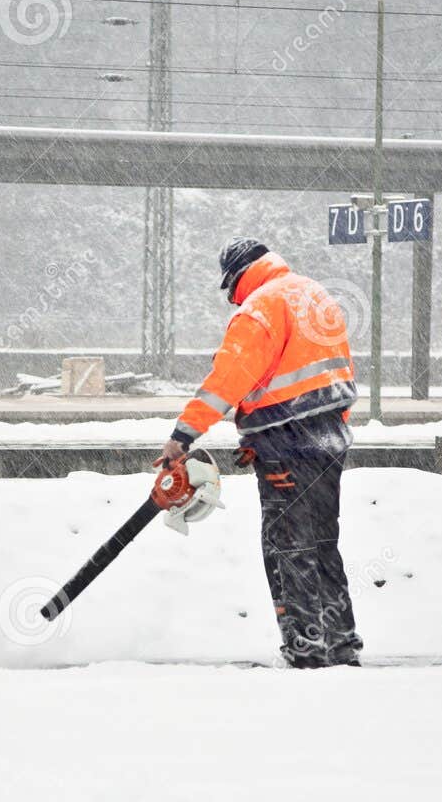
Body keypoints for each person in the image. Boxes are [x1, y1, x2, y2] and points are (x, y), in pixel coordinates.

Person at [154, 237, 363, 667]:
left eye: (230, 290)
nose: (232, 299)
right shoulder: (314, 294)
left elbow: (226, 381)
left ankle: (306, 649)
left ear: (236, 278)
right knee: (323, 542)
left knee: (288, 546)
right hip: (330, 442)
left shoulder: (260, 309)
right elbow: (338, 374)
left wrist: (183, 435)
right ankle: (340, 642)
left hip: (286, 445)